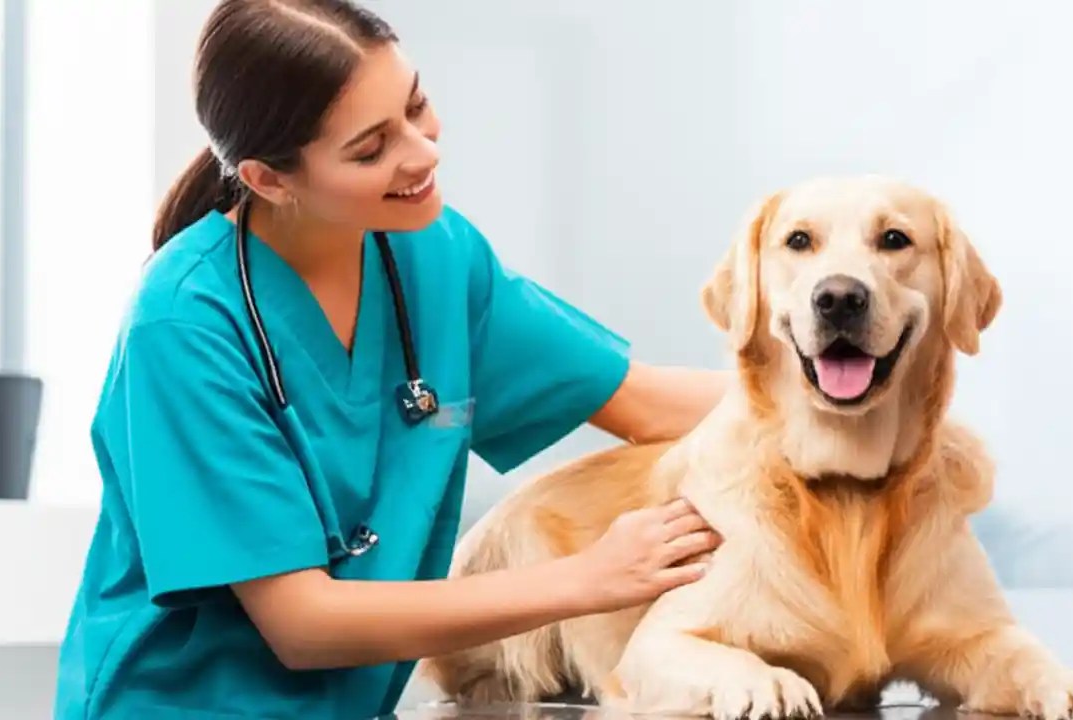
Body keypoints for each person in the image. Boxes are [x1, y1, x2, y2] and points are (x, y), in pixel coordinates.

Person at [53, 2, 730, 719]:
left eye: (415, 106)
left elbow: (644, 402)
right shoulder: (184, 324)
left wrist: (815, 394)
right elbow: (303, 624)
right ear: (269, 179)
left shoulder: (434, 255)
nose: (422, 153)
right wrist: (588, 578)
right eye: (371, 149)